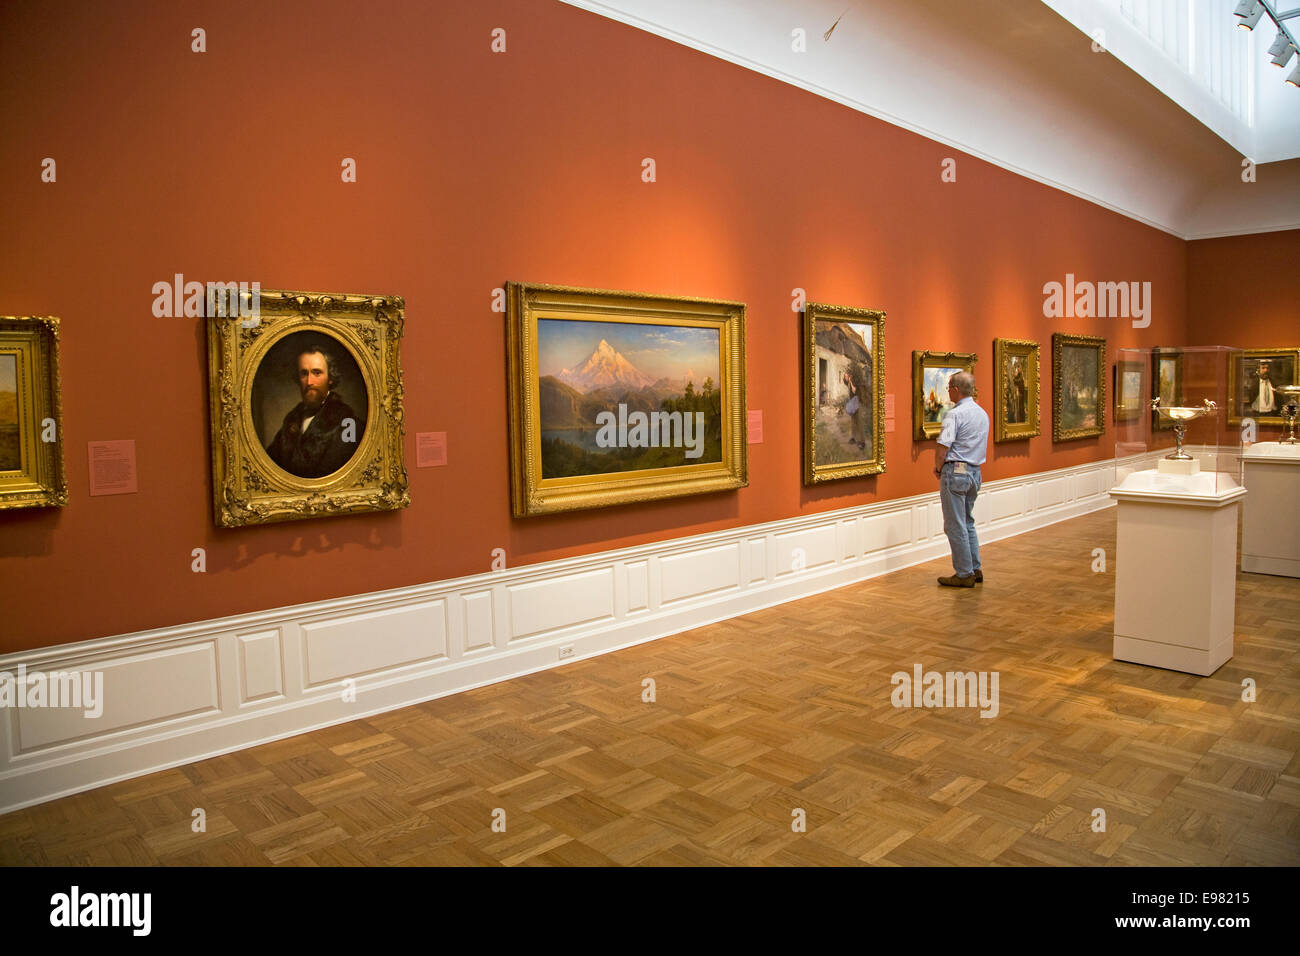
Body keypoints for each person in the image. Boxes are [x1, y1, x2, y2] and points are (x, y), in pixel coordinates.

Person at [265, 343, 361, 478]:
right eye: (304, 373)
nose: (309, 381)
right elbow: (270, 464)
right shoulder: (292, 419)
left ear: (331, 379)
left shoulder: (348, 422)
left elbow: (336, 473)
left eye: (317, 373)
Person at [932, 371, 989, 588]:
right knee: (967, 521)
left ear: (956, 389)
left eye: (949, 388)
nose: (948, 391)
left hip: (956, 472)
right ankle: (974, 568)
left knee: (955, 525)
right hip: (974, 472)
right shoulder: (982, 414)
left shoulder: (954, 415)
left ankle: (964, 574)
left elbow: (942, 448)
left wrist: (938, 468)